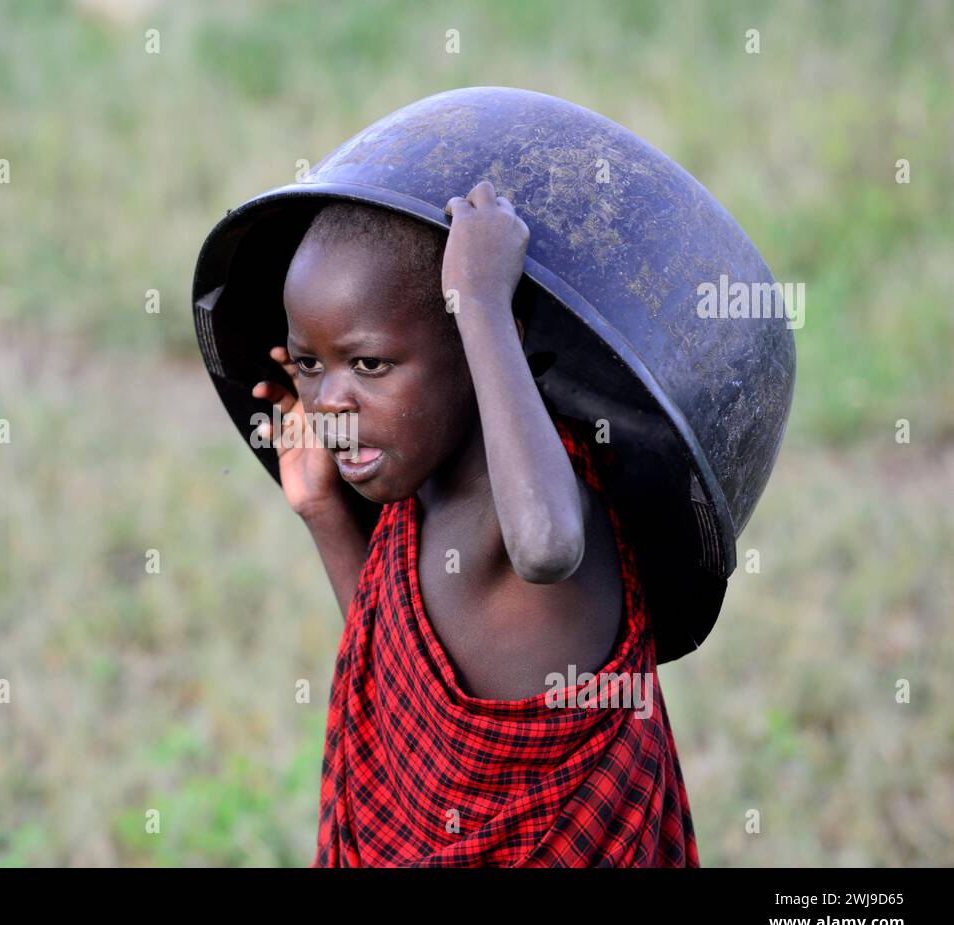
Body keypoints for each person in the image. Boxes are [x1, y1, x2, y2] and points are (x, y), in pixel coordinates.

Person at [251, 181, 698, 866]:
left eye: (370, 364)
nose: (331, 403)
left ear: (486, 347)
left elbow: (546, 546)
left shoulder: (543, 500)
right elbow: (392, 706)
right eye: (309, 365)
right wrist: (322, 514)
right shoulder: (416, 501)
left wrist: (482, 302)